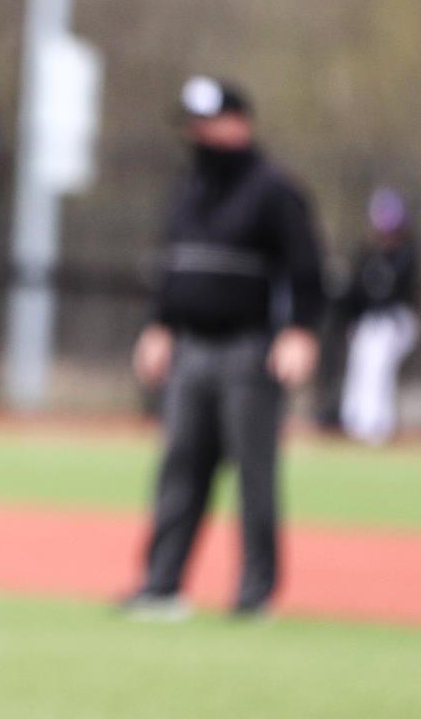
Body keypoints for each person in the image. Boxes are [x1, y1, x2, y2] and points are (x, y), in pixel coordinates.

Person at [126, 75, 323, 620]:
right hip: (191, 348)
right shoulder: (189, 186)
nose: (199, 134)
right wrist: (160, 325)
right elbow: (175, 268)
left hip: (248, 350)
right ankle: (161, 585)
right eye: (193, 124)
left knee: (254, 473)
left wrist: (301, 330)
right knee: (180, 466)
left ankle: (255, 594)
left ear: (240, 122)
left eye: (209, 122)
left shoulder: (274, 188)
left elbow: (306, 268)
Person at [335, 187, 418, 444]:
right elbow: (356, 293)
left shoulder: (405, 254)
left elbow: (397, 293)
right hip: (368, 321)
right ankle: (355, 421)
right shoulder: (367, 254)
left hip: (394, 320)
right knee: (361, 363)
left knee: (377, 363)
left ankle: (376, 425)